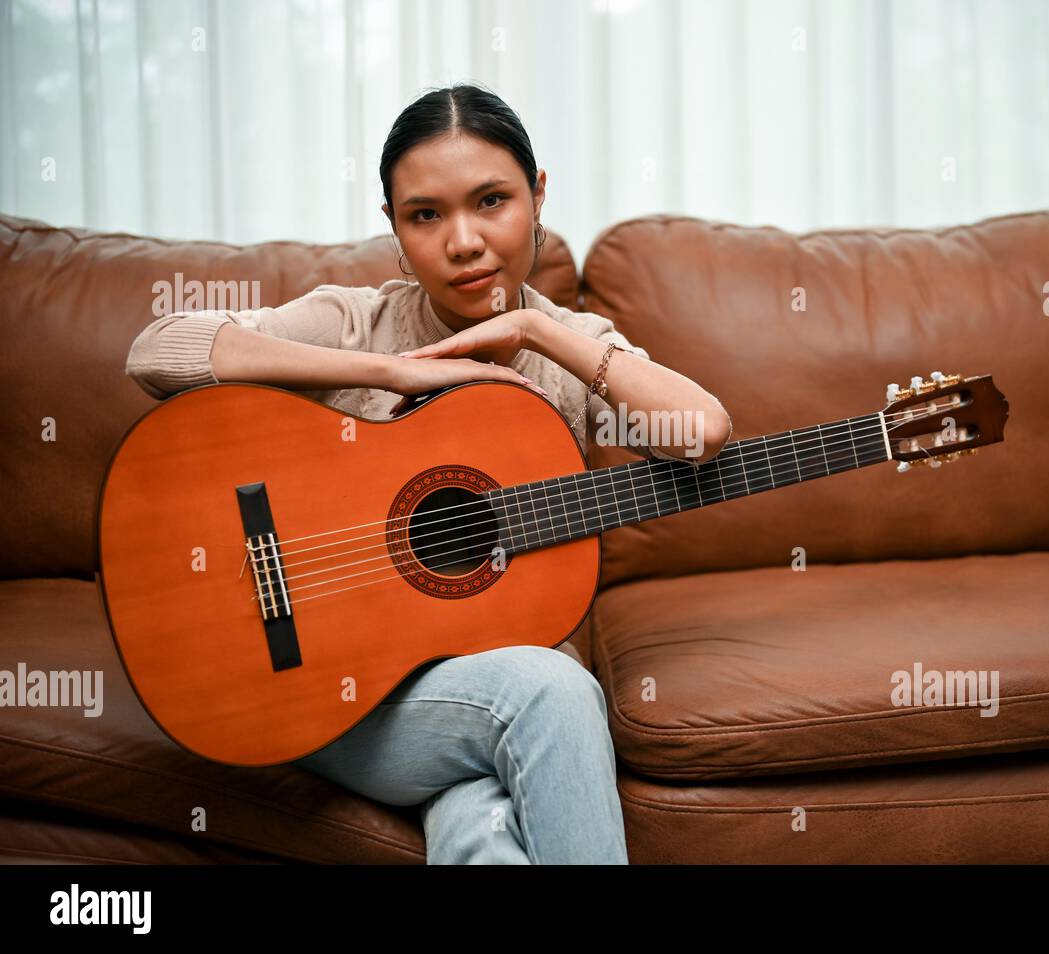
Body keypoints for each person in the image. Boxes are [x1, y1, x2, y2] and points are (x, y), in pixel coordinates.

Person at [123, 81, 732, 865]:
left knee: (479, 821)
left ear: (539, 194)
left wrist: (534, 328)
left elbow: (704, 434)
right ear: (394, 229)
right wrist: (397, 373)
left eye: (492, 201)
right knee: (550, 692)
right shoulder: (357, 320)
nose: (465, 241)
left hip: (477, 692)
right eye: (426, 215)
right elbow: (157, 351)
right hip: (322, 690)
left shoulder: (576, 347)